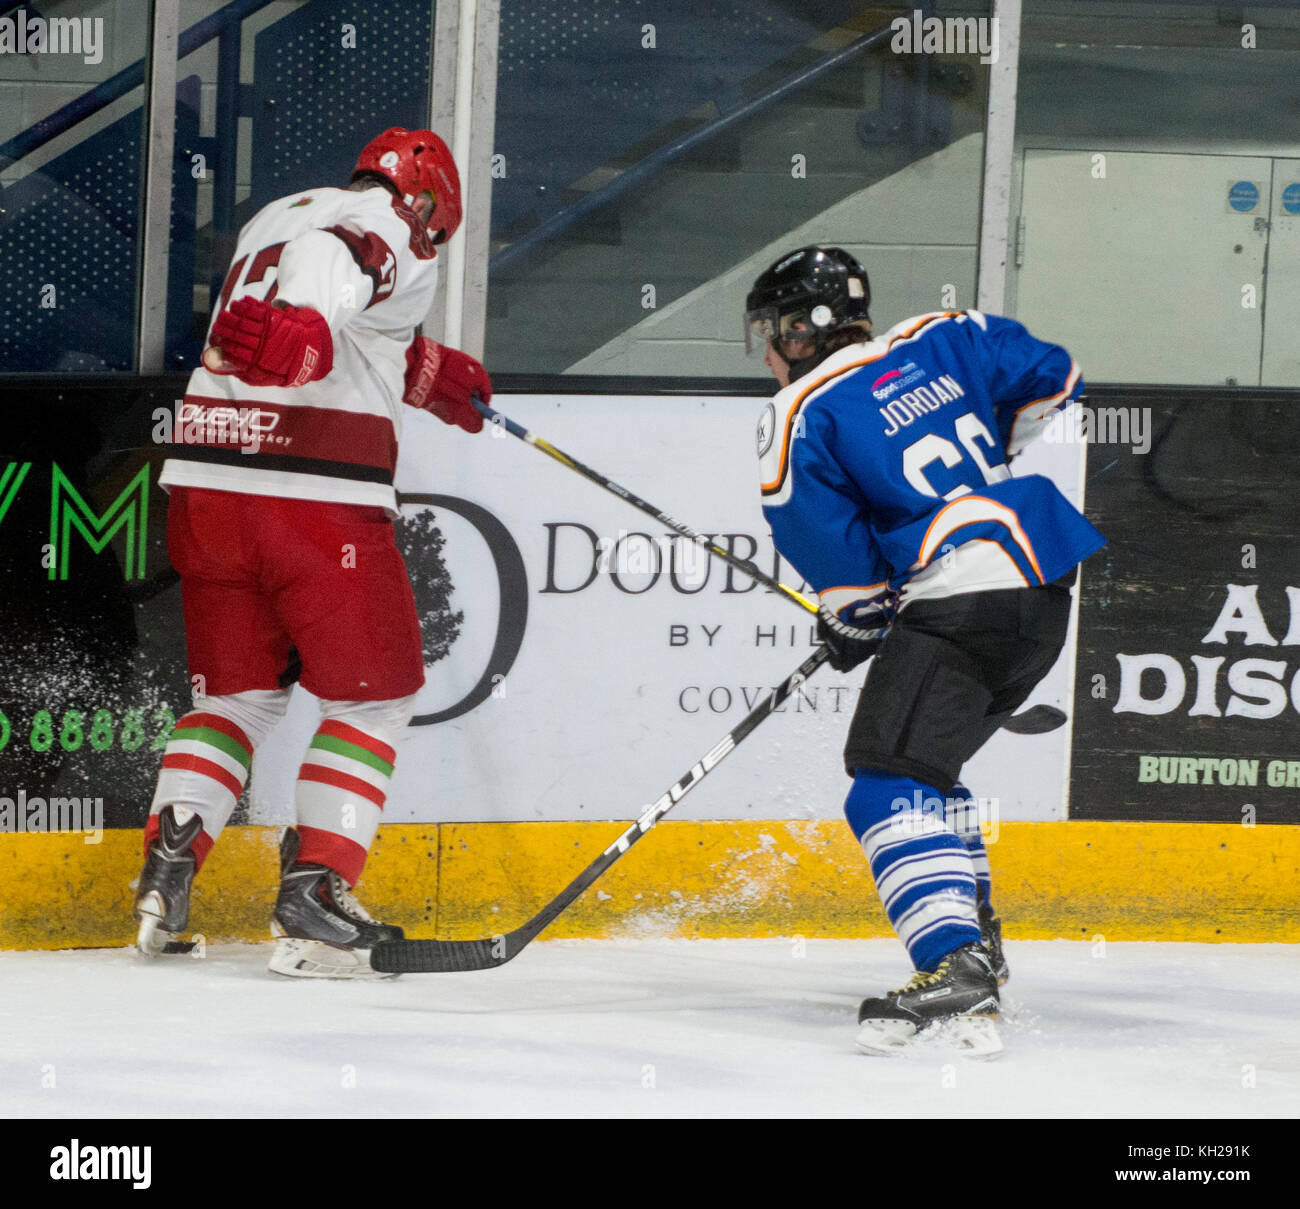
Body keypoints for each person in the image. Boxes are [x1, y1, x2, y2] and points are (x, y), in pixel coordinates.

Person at [132, 127, 491, 978]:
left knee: (238, 698)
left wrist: (424, 368)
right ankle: (317, 891)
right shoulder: (385, 225)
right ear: (430, 202)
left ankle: (164, 876)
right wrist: (302, 325)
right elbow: (349, 259)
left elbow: (351, 319)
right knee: (376, 699)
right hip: (313, 504)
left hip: (207, 492)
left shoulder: (275, 216)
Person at [745, 246, 1105, 1055]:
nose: (767, 350)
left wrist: (852, 618)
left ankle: (955, 969)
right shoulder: (945, 335)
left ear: (801, 332)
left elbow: (843, 571)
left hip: (964, 596)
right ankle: (978, 947)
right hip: (1040, 594)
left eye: (771, 330)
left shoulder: (801, 409)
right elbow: (1057, 375)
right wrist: (981, 458)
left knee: (883, 785)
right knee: (931, 775)